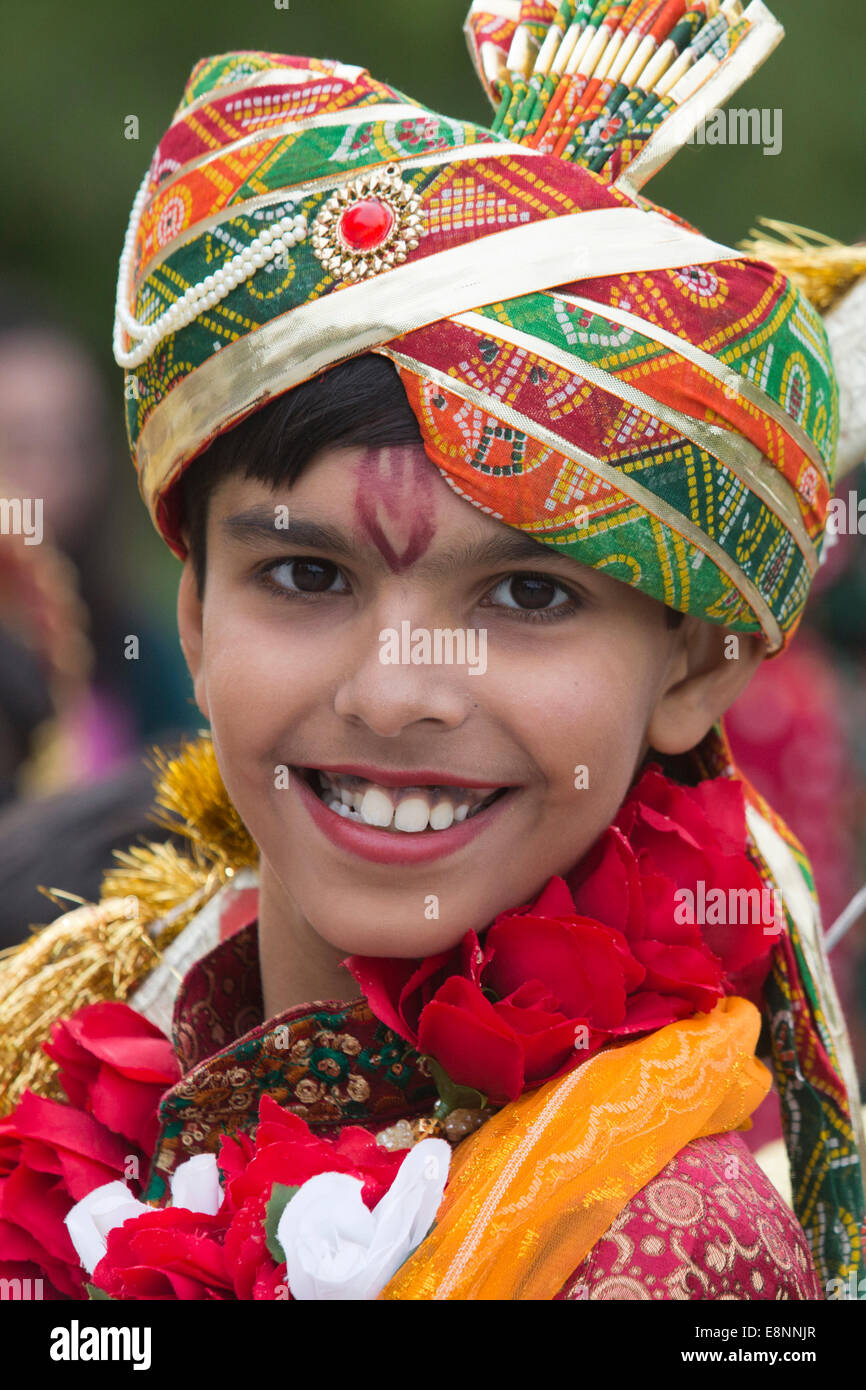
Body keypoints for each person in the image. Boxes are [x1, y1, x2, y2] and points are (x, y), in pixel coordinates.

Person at [1, 4, 864, 1302]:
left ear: (692, 667)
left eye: (526, 593)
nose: (393, 691)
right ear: (191, 612)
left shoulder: (669, 1253)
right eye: (304, 574)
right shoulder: (75, 1009)